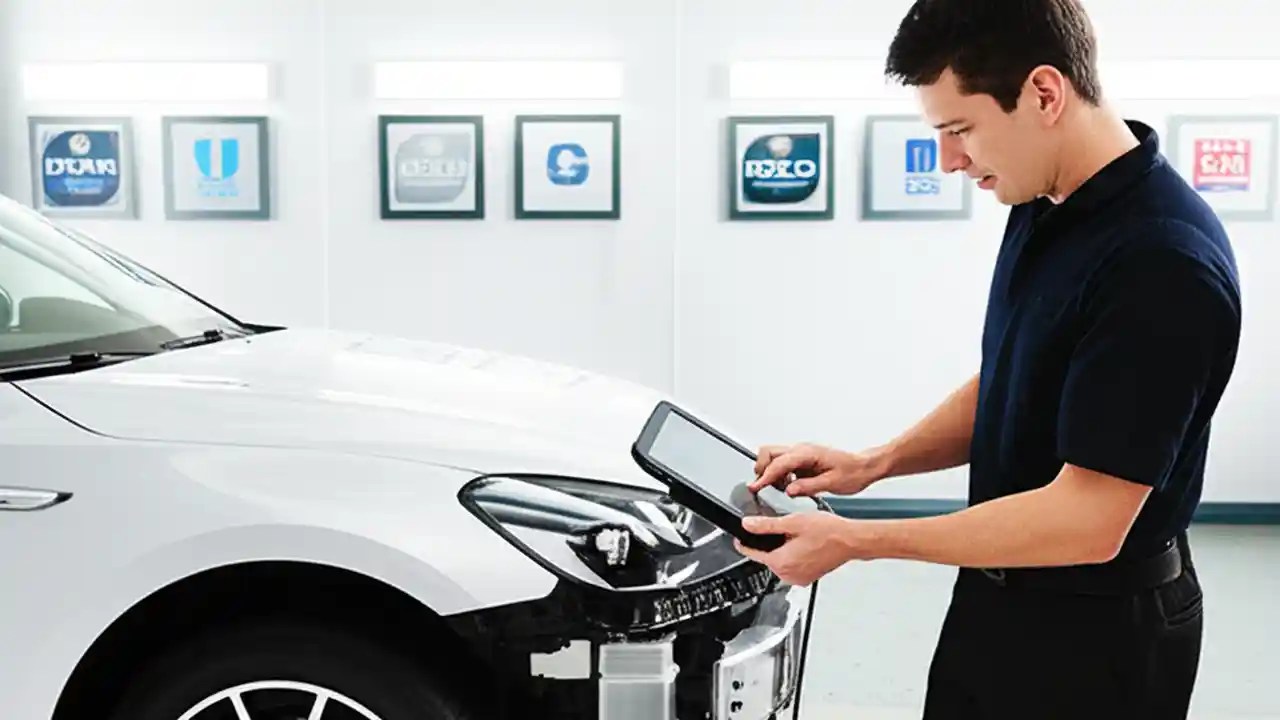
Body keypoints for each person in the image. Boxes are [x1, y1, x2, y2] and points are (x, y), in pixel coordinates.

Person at [737, 1, 1243, 718]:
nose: (948, 161)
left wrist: (856, 540)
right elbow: (1017, 377)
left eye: (960, 130)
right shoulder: (1046, 202)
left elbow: (1089, 520)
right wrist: (873, 464)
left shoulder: (1160, 263)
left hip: (1099, 639)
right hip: (998, 597)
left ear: (1044, 93)